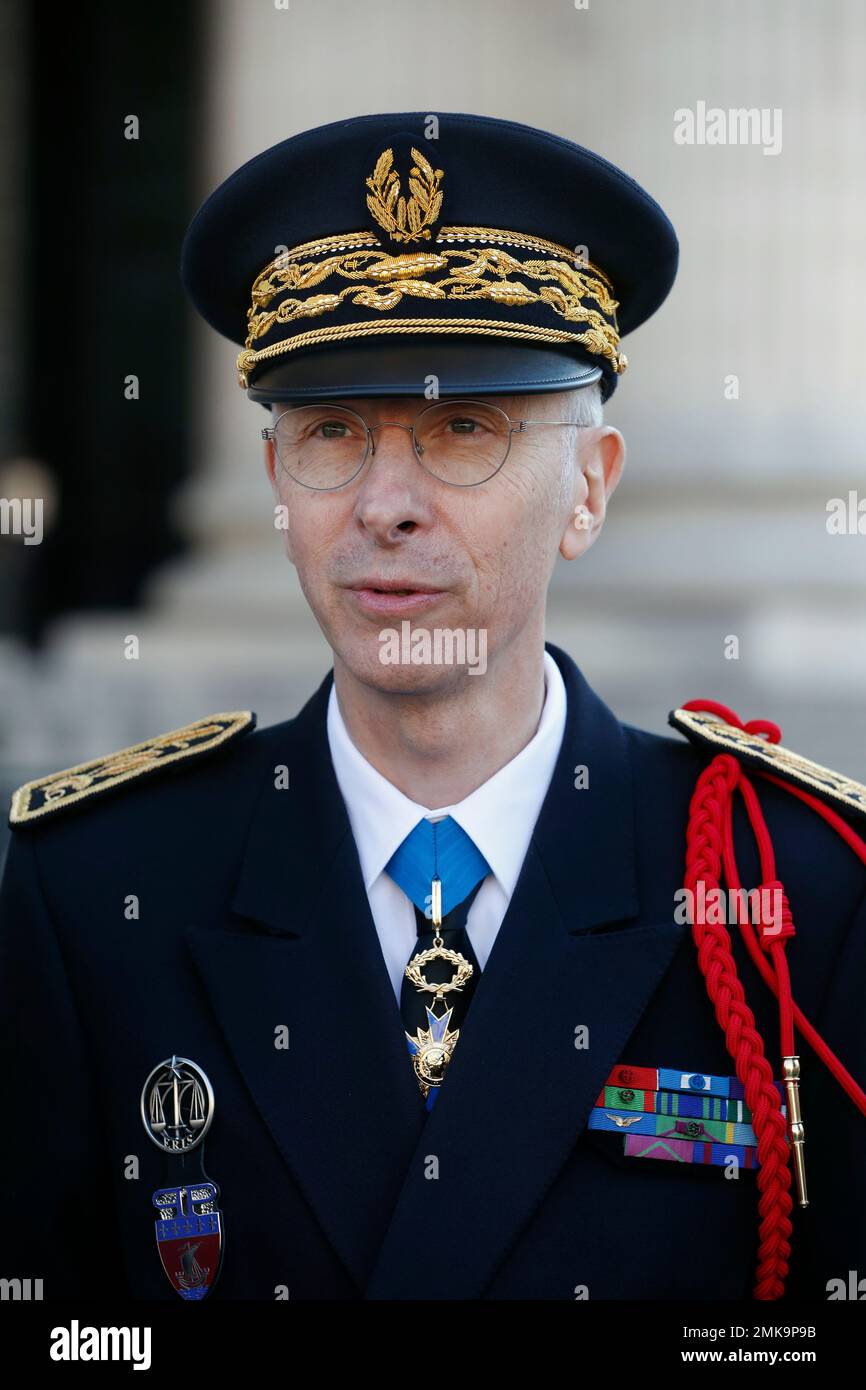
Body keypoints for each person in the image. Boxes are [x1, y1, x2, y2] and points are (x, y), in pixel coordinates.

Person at [1, 111, 864, 1303]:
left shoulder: (791, 889)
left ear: (588, 488)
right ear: (273, 486)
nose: (384, 504)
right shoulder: (96, 891)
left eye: (463, 428)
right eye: (331, 433)